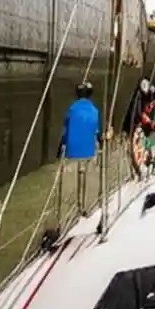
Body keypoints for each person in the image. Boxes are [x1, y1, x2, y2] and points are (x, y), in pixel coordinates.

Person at [58, 81, 100, 212]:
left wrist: (60, 149)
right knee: (88, 181)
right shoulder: (95, 111)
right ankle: (87, 208)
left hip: (72, 152)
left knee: (70, 185)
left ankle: (71, 212)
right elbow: (96, 131)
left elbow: (65, 131)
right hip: (89, 152)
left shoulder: (71, 109)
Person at [122, 79, 155, 179]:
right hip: (135, 124)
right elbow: (137, 112)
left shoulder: (141, 96)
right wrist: (142, 118)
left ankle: (148, 152)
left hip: (138, 123)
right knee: (146, 137)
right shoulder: (137, 98)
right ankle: (145, 157)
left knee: (150, 133)